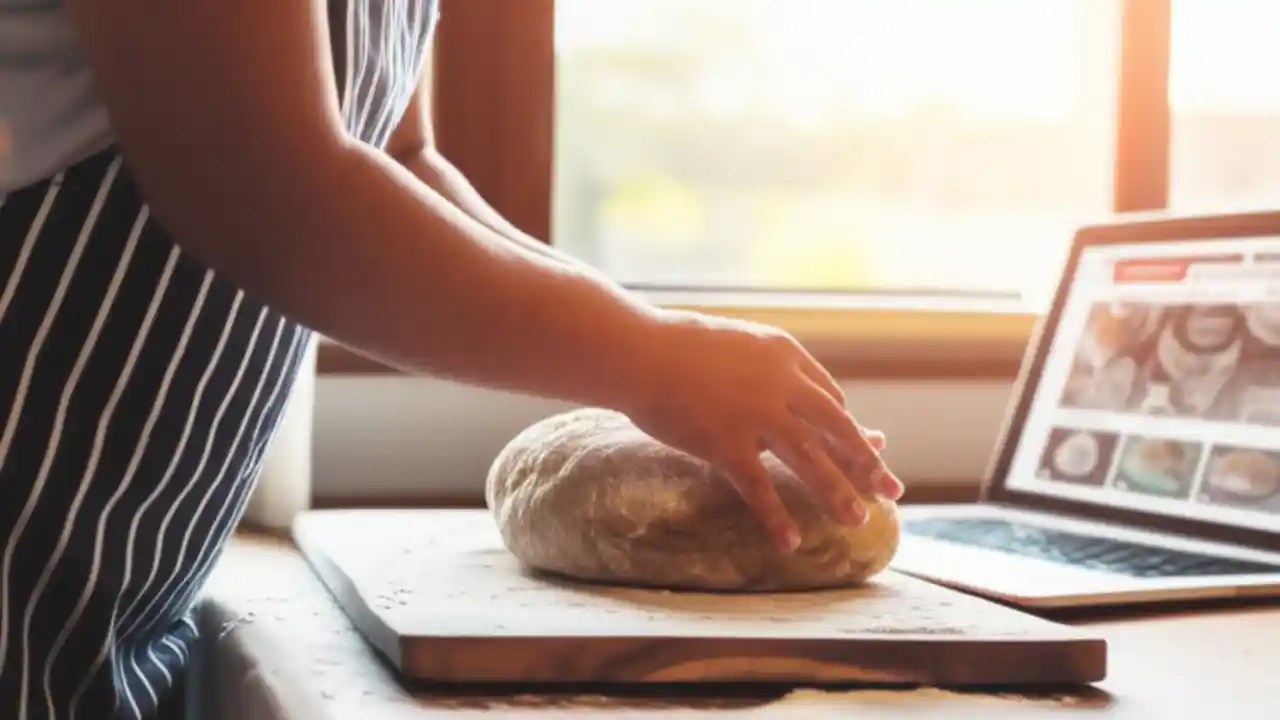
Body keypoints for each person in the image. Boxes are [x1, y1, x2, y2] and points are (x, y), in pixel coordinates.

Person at [0, 1, 903, 717]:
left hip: (99, 593)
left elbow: (406, 159)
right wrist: (654, 360)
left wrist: (664, 347)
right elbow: (271, 192)